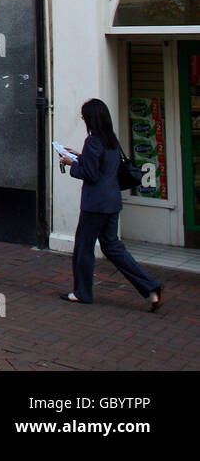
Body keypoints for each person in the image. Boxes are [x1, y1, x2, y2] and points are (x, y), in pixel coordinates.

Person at [58, 98, 163, 310]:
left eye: (84, 116)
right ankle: (150, 287)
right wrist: (79, 156)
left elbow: (90, 173)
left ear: (90, 118)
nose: (83, 119)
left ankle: (82, 292)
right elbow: (102, 166)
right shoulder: (111, 140)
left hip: (95, 203)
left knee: (83, 248)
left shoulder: (93, 141)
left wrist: (71, 164)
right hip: (112, 200)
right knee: (113, 247)